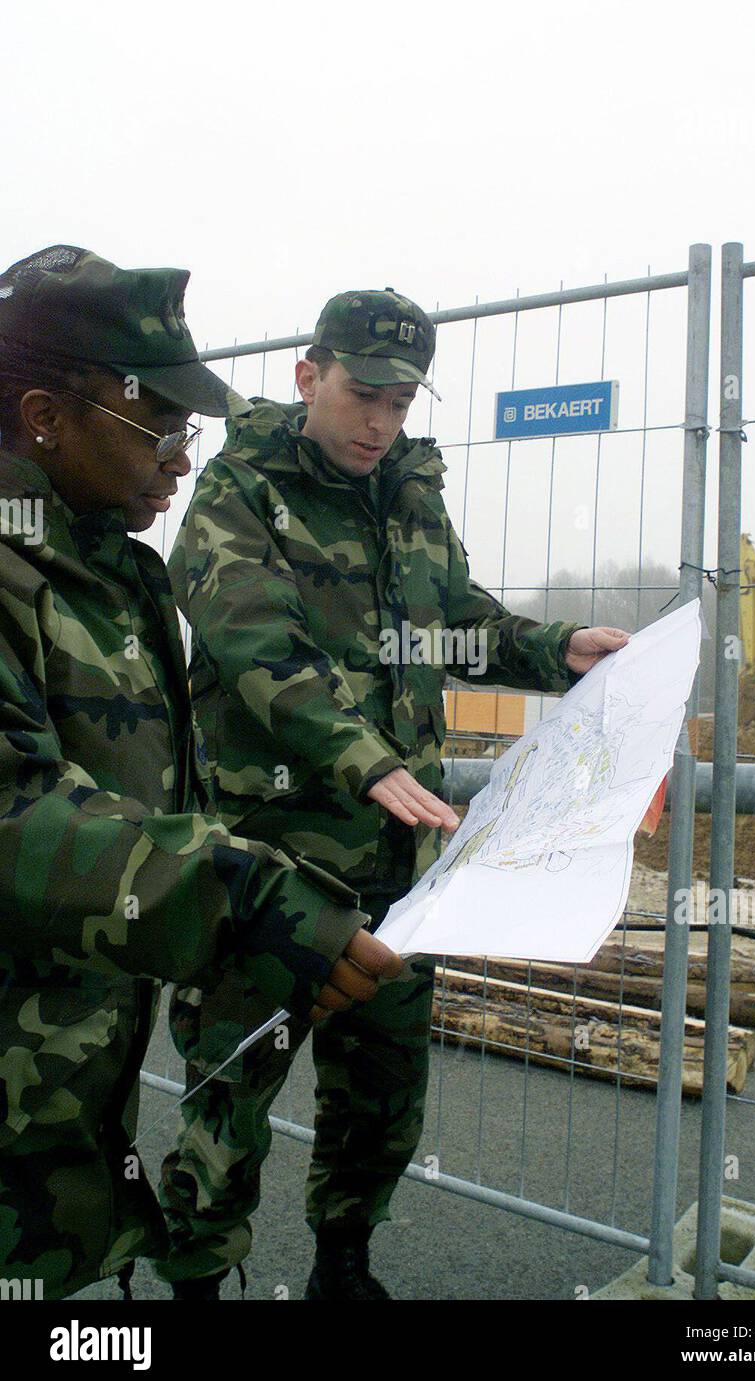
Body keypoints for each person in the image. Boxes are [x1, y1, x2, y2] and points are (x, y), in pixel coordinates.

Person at [163, 286, 630, 1300]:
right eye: (363, 393)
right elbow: (252, 639)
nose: (381, 421)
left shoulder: (411, 496)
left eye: (402, 401)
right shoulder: (239, 490)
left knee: (379, 1092)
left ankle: (344, 1263)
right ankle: (197, 1278)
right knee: (230, 1089)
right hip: (266, 862)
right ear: (308, 376)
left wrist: (558, 649)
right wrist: (362, 755)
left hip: (394, 868)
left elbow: (457, 621)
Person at [0, 248, 399, 1302]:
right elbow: (15, 810)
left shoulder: (102, 568)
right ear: (44, 413)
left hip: (61, 1099)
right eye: (159, 426)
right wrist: (253, 901)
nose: (182, 457)